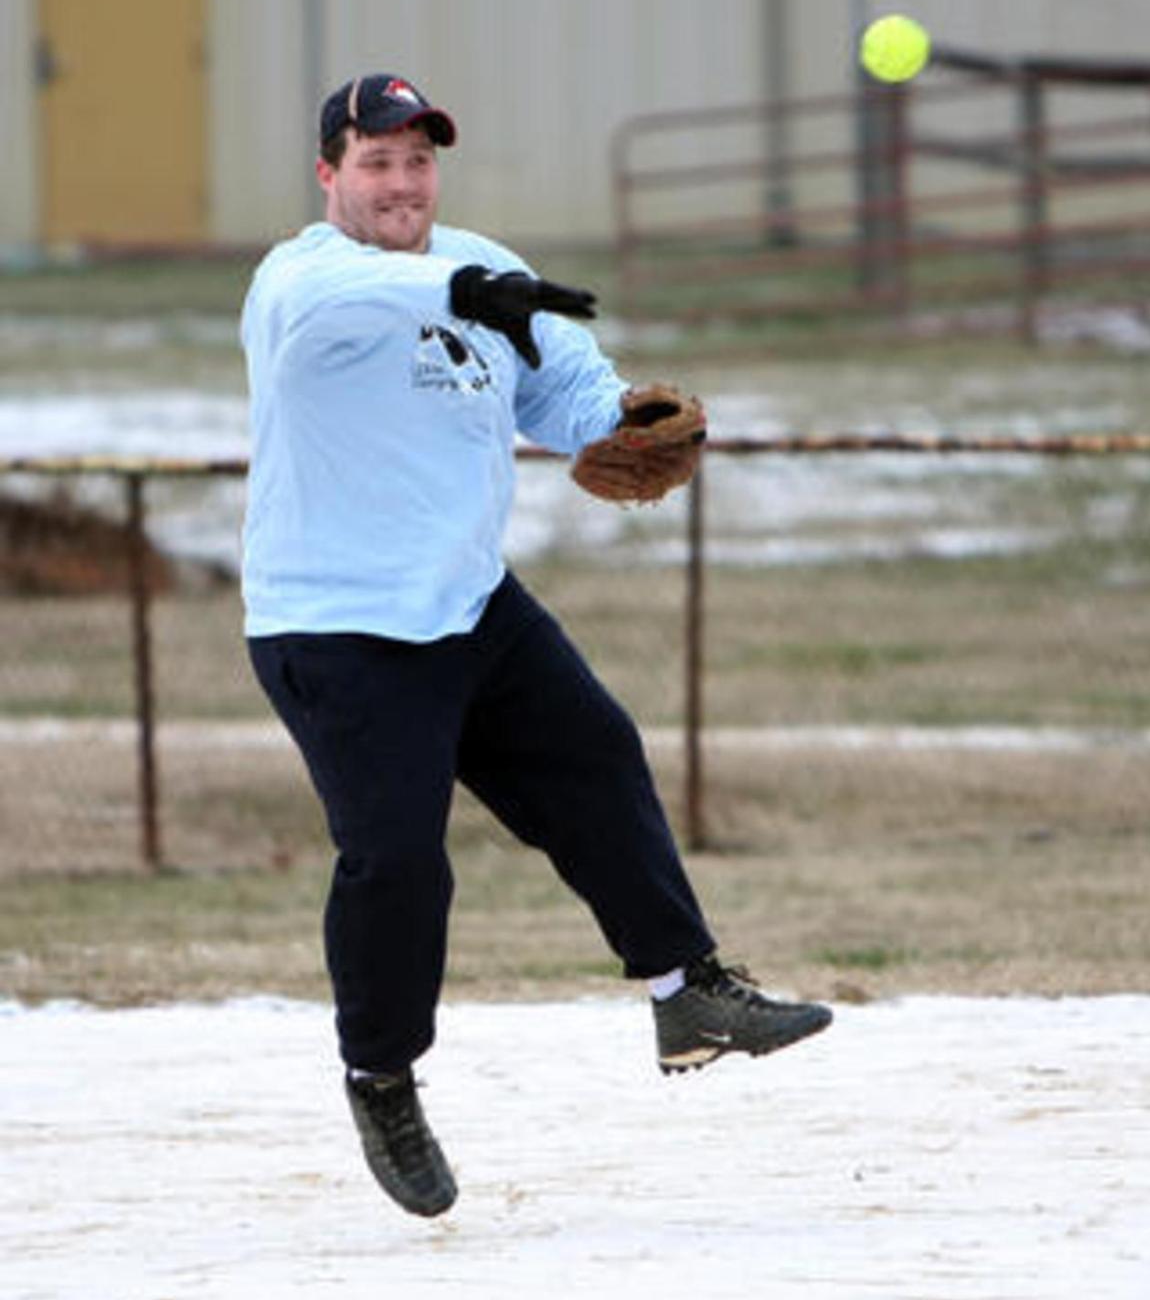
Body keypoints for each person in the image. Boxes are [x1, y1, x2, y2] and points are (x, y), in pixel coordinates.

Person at [241, 72, 833, 1219]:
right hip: (336, 622)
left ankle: (686, 990)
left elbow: (560, 385)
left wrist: (616, 421)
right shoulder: (297, 280)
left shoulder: (482, 264)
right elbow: (351, 311)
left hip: (468, 604)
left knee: (597, 755)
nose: (402, 182)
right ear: (329, 175)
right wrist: (467, 288)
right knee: (399, 859)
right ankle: (383, 1076)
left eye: (418, 160)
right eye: (376, 162)